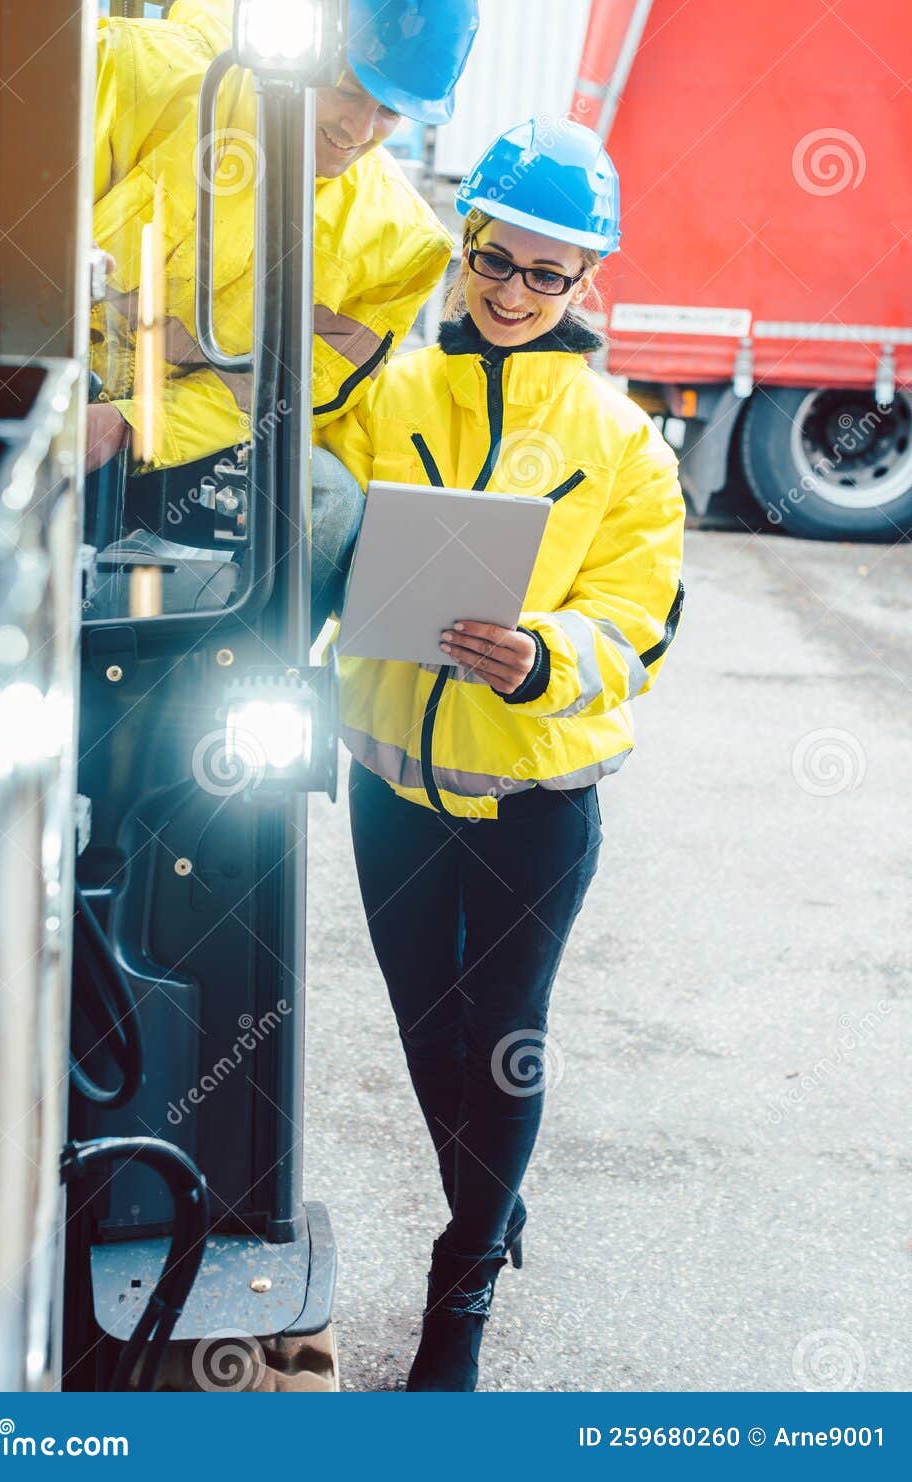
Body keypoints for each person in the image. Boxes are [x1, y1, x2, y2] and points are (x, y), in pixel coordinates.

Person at [323, 118, 686, 1390]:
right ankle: (491, 1203)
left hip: (536, 797)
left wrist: (540, 656)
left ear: (585, 280)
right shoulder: (390, 393)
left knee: (500, 1038)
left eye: (547, 273)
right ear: (464, 242)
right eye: (494, 259)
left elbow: (638, 619)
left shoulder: (622, 441)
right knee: (428, 1036)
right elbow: (317, 517)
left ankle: (462, 1278)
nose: (514, 292)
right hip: (388, 787)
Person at [84, 0, 478, 628]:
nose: (357, 130)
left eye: (389, 111)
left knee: (325, 498)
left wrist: (131, 423)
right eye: (347, 88)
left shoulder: (397, 244)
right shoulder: (136, 74)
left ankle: (242, 680)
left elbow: (283, 397)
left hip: (181, 439)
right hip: (44, 389)